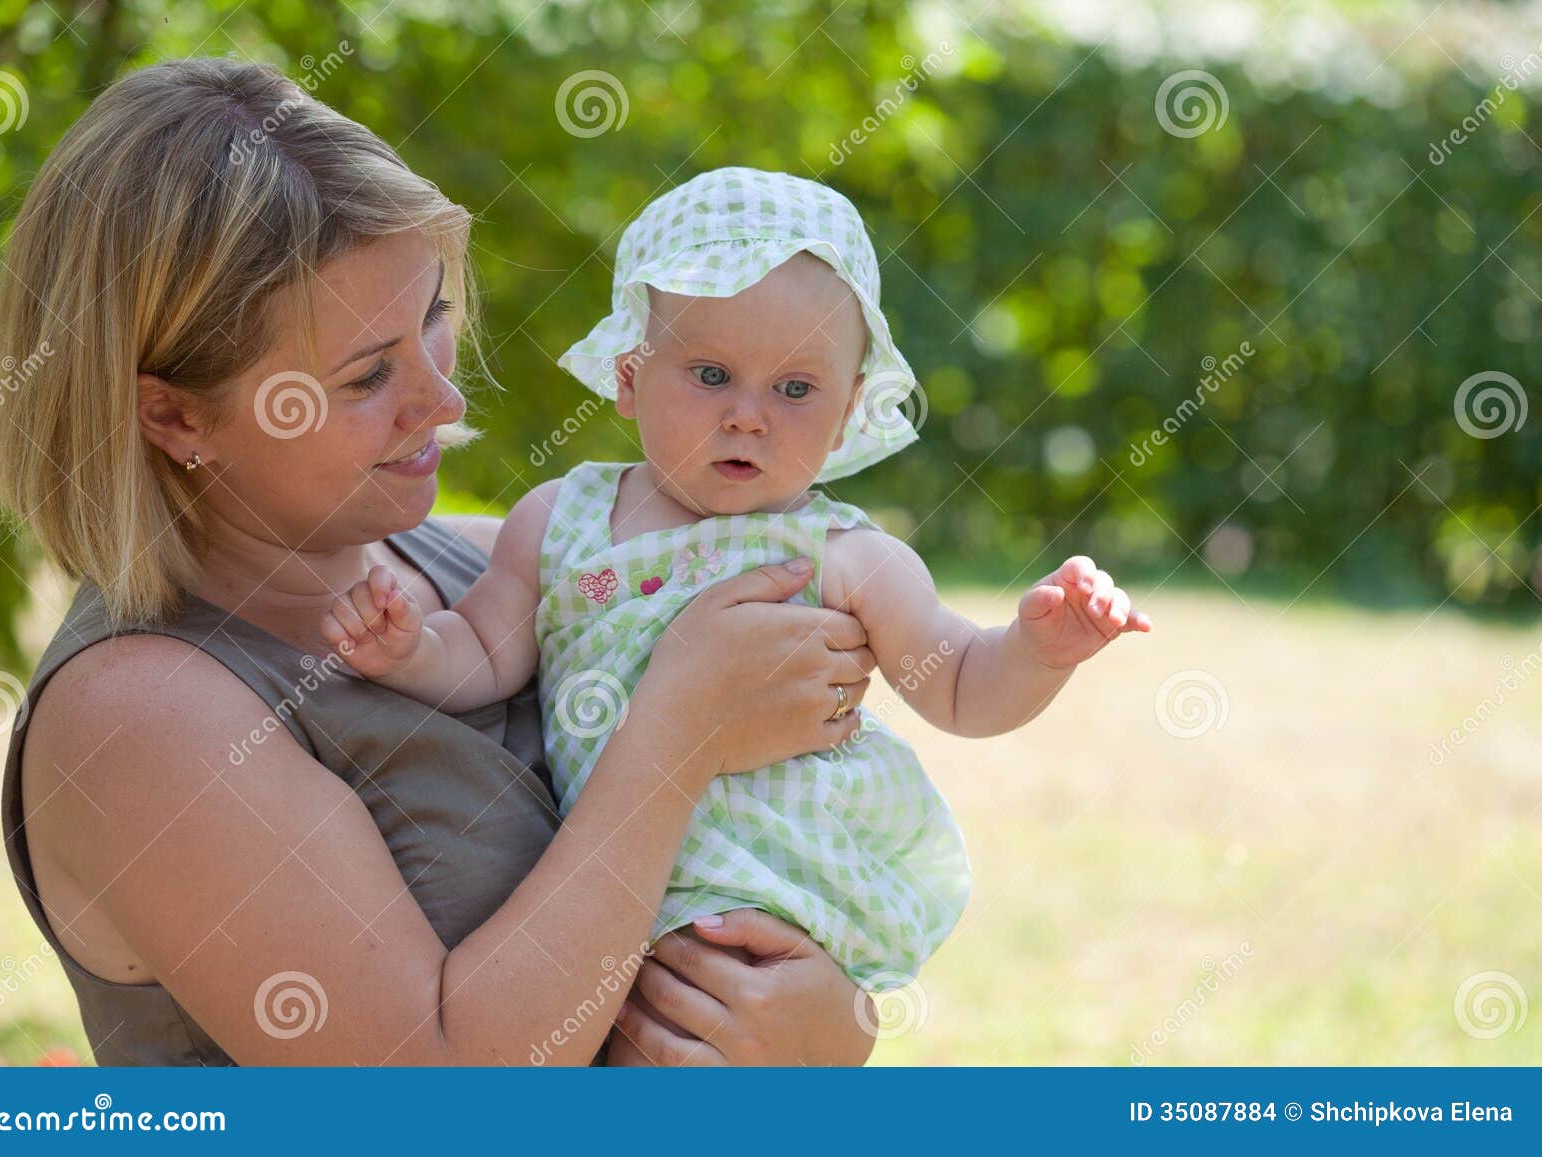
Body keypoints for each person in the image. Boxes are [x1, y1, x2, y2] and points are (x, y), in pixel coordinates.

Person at [0, 60, 879, 1066]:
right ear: (174, 413)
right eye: (368, 373)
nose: (443, 401)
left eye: (431, 322)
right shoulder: (141, 718)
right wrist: (674, 738)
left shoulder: (492, 560)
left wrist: (831, 1026)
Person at [318, 168, 1152, 1061]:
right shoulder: (561, 522)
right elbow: (485, 646)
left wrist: (1038, 647)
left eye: (796, 389)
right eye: (711, 375)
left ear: (845, 413)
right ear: (632, 377)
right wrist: (410, 649)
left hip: (783, 904)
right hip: (616, 896)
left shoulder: (846, 556)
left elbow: (957, 684)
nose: (748, 417)